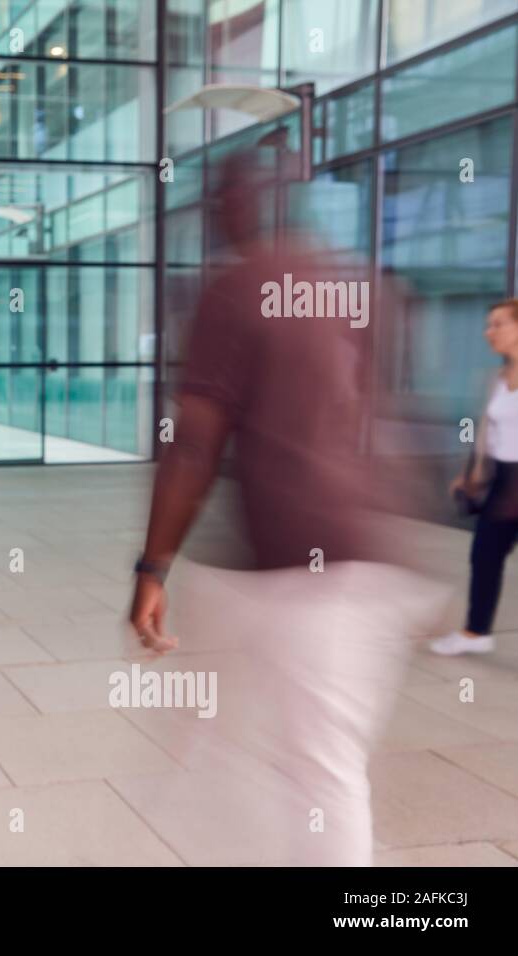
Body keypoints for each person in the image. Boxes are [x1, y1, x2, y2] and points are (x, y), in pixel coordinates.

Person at [127, 148, 446, 866]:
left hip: (303, 563)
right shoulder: (359, 282)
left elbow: (194, 444)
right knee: (273, 749)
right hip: (369, 553)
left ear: (238, 209)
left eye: (221, 204)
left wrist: (152, 567)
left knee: (317, 770)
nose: (216, 217)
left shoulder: (238, 287)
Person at [433, 299, 518, 655]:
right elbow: (484, 432)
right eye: (488, 324)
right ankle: (476, 632)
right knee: (484, 555)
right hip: (502, 478)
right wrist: (472, 476)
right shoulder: (497, 379)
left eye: (498, 324)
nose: (489, 332)